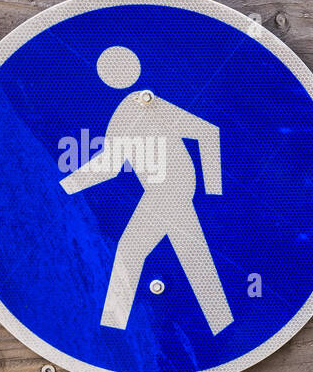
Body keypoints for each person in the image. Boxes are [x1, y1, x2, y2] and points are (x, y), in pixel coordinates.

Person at [60, 45, 233, 334]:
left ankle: (113, 328)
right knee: (193, 255)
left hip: (170, 188)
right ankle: (221, 322)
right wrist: (67, 187)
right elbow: (111, 166)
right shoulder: (125, 111)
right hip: (168, 189)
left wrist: (214, 190)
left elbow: (207, 132)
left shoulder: (146, 102)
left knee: (130, 250)